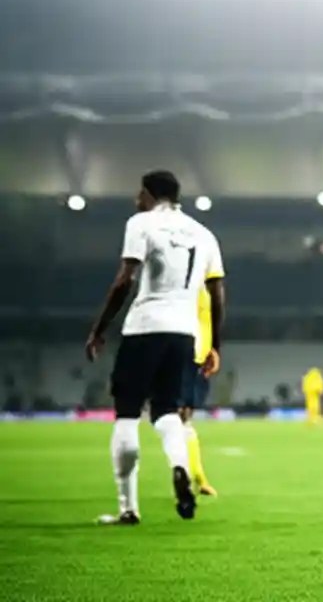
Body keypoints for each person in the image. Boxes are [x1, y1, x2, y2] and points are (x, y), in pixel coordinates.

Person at [87, 171, 225, 525]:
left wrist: (99, 329)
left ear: (148, 193)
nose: (136, 198)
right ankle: (180, 467)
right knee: (166, 411)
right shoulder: (204, 233)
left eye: (139, 192)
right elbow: (217, 294)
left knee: (128, 412)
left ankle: (127, 508)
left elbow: (125, 280)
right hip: (184, 333)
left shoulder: (142, 223)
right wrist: (213, 345)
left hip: (145, 326)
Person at [180, 276, 225, 498]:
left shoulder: (201, 291)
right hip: (185, 356)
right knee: (179, 419)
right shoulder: (190, 290)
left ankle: (194, 477)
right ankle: (194, 477)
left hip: (195, 357)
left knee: (183, 419)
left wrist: (212, 349)